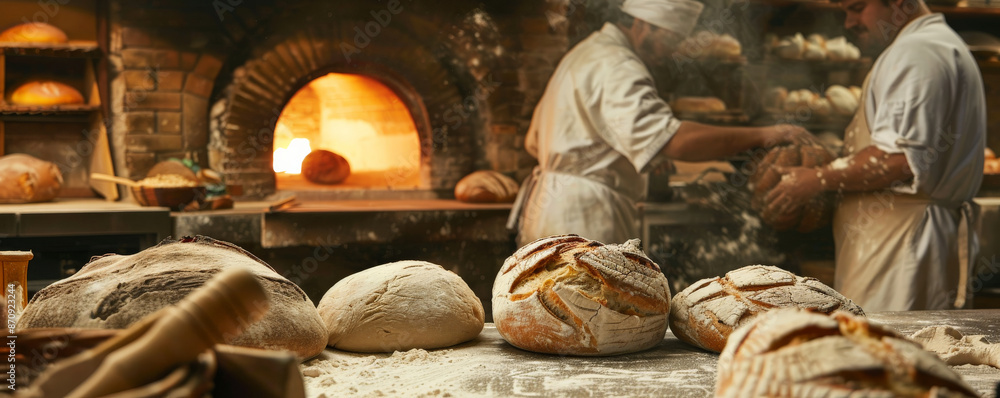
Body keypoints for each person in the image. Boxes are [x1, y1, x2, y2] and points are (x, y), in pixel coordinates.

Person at [506, 0, 810, 247]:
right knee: (591, 315)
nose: (671, 52)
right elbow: (676, 141)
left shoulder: (586, 53)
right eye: (672, 39)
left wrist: (637, 153)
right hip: (585, 216)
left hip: (549, 208)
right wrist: (765, 134)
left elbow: (533, 140)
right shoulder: (619, 64)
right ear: (644, 24)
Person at [763, 0, 986, 311]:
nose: (849, 23)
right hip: (900, 243)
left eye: (856, 8)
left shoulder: (916, 53)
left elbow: (900, 159)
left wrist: (816, 179)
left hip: (901, 250)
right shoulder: (936, 44)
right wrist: (838, 157)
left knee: (888, 351)